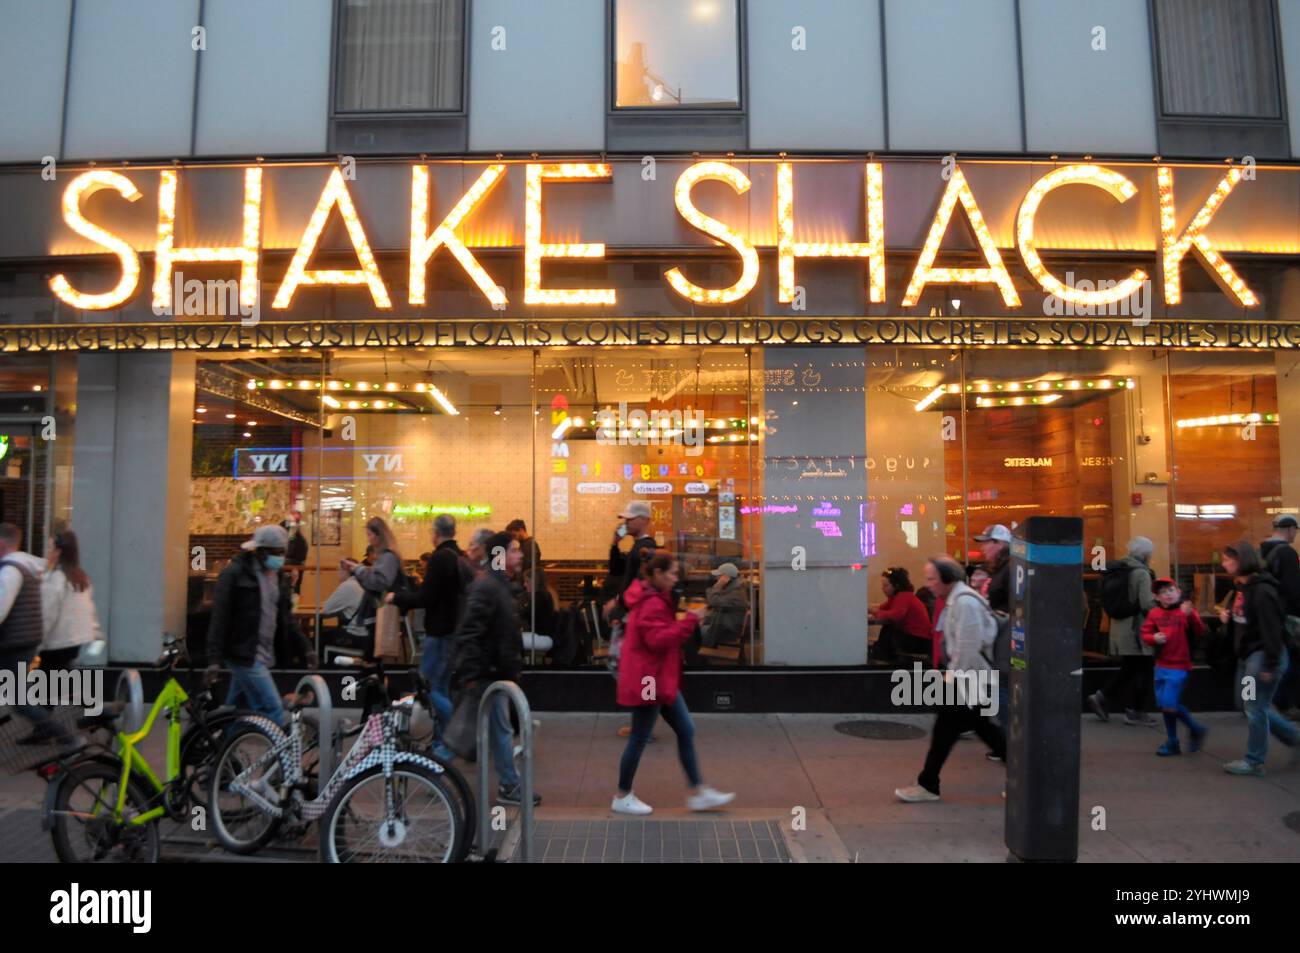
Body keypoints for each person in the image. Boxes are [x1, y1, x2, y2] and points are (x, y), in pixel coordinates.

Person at [611, 551, 735, 815]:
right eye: (671, 573)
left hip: (658, 677)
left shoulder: (656, 596)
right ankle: (622, 795)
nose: (675, 577)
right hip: (649, 679)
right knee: (640, 737)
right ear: (657, 574)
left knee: (685, 729)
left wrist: (684, 620)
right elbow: (658, 640)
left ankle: (699, 791)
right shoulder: (651, 602)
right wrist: (690, 620)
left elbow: (659, 634)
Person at [895, 556, 1006, 803]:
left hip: (969, 679)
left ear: (947, 578)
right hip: (967, 678)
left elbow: (968, 645)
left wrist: (951, 678)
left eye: (933, 579)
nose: (929, 584)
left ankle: (928, 784)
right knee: (972, 729)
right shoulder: (956, 600)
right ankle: (928, 783)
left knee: (965, 729)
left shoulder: (965, 603)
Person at [452, 531, 539, 806]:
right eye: (514, 550)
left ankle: (508, 784)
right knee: (465, 734)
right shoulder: (488, 586)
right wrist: (474, 674)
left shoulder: (499, 585)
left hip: (494, 673)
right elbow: (470, 631)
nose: (521, 554)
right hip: (487, 675)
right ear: (500, 555)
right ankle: (426, 769)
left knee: (491, 730)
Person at [205, 524, 317, 728]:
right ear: (261, 551)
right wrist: (214, 658)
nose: (281, 557)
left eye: (283, 552)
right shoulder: (235, 574)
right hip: (244, 654)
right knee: (272, 709)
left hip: (263, 654)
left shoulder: (279, 579)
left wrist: (306, 648)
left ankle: (224, 753)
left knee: (235, 712)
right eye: (277, 552)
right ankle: (284, 758)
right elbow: (220, 617)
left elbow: (287, 618)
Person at [389, 514, 471, 760]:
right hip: (454, 631)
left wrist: (397, 598)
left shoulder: (439, 558)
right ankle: (442, 744)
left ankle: (456, 736)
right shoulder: (460, 557)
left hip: (440, 632)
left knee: (426, 688)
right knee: (441, 687)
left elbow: (426, 597)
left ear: (435, 533)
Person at [1217, 541, 1300, 775]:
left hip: (1261, 657)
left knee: (1254, 706)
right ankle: (1292, 736)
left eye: (1227, 559)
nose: (1223, 563)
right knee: (1251, 705)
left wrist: (1270, 664)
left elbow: (1271, 629)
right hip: (1251, 655)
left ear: (1241, 561)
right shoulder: (1243, 588)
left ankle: (1254, 761)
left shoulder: (1261, 591)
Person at [0, 523, 77, 749]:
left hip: (15, 643)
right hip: (23, 641)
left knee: (18, 698)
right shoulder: (27, 565)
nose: (48, 551)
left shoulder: (10, 570)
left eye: (52, 546)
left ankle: (67, 737)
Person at [1088, 536, 1158, 725]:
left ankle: (1102, 697)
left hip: (1120, 629)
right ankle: (1136, 711)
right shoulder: (1141, 573)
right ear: (1146, 554)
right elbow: (1146, 604)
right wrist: (1164, 607)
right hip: (1138, 631)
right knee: (1144, 670)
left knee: (1129, 669)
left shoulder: (1121, 569)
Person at [605, 501, 658, 737]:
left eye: (630, 518)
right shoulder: (638, 548)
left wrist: (618, 607)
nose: (626, 522)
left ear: (644, 520)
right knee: (637, 670)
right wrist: (615, 543)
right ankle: (645, 723)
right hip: (632, 616)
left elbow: (639, 585)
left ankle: (644, 725)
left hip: (636, 619)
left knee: (638, 670)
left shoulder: (646, 549)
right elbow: (617, 571)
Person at [1140, 578, 1208, 756]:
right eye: (1163, 592)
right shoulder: (1154, 614)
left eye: (1171, 590)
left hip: (1180, 665)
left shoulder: (1185, 611)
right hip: (1161, 664)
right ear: (1157, 597)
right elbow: (1145, 632)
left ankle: (1192, 730)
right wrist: (1153, 638)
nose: (1168, 594)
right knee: (1165, 704)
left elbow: (1200, 630)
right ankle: (1175, 741)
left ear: (1178, 592)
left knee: (1169, 704)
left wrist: (1189, 614)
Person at [341, 516, 404, 654]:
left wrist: (359, 570)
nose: (368, 539)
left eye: (370, 534)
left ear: (379, 535)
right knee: (372, 660)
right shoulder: (385, 557)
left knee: (371, 660)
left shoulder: (387, 557)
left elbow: (379, 582)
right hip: (376, 613)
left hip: (378, 612)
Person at [39, 529, 101, 670]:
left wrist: (36, 646)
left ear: (58, 552)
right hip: (76, 646)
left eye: (50, 547)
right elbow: (91, 613)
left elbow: (46, 617)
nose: (47, 552)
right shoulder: (82, 579)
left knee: (46, 689)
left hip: (54, 647)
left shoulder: (55, 579)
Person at [1260, 514, 1300, 719]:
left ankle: (1252, 701)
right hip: (1286, 614)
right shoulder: (1287, 553)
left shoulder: (1263, 552)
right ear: (1290, 529)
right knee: (1290, 661)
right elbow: (1293, 588)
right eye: (1296, 530)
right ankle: (1279, 702)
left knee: (1253, 669)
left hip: (1267, 616)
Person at [869, 566, 932, 663]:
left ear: (896, 585)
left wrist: (874, 612)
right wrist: (871, 610)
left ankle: (880, 659)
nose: (883, 588)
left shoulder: (903, 597)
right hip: (917, 639)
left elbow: (894, 615)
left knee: (888, 631)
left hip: (918, 640)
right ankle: (881, 659)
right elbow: (882, 608)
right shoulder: (896, 597)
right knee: (888, 631)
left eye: (886, 585)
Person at [700, 562, 747, 649]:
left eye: (719, 576)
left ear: (726, 577)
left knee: (695, 632)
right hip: (726, 625)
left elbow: (713, 601)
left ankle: (698, 659)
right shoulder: (733, 588)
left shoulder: (736, 593)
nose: (717, 578)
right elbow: (716, 603)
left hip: (728, 630)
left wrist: (717, 585)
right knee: (698, 627)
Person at [975, 525, 1012, 612]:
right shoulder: (990, 568)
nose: (982, 548)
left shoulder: (1010, 570)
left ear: (1000, 544)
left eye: (986, 543)